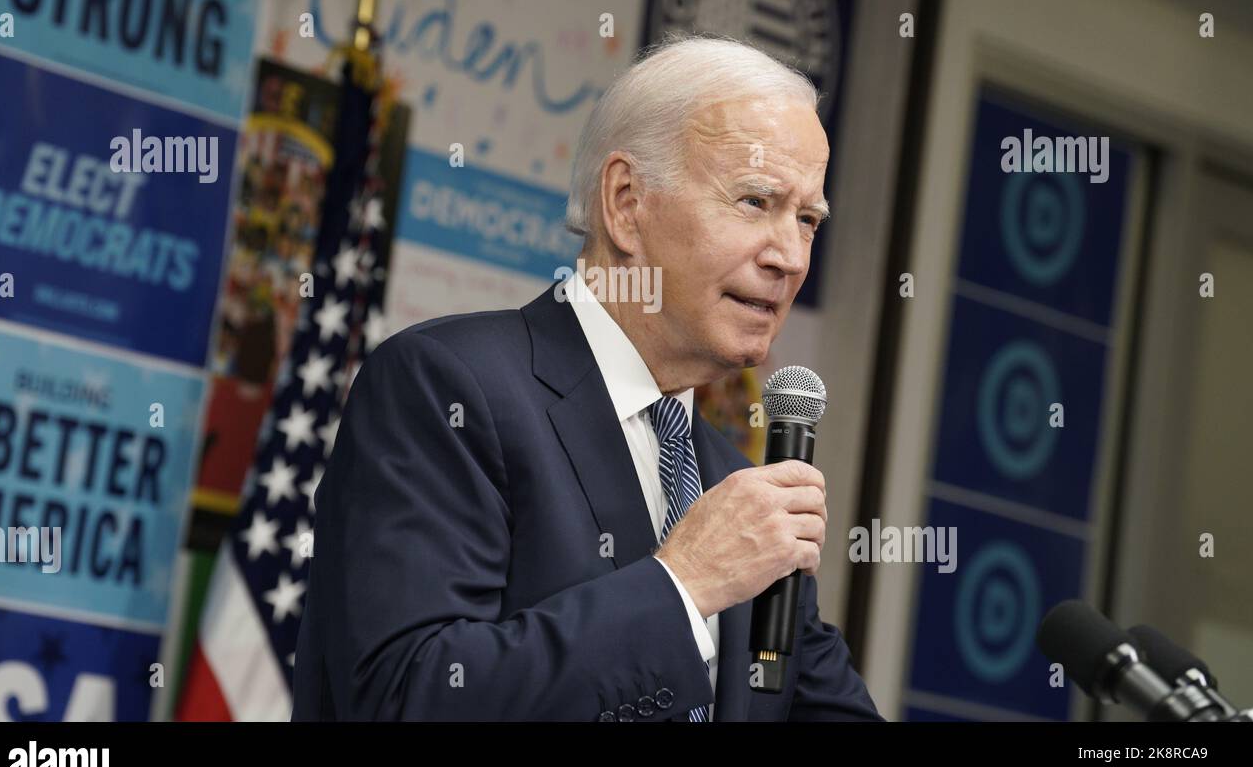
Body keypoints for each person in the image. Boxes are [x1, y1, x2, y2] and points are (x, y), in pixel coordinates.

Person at [292, 36, 882, 721]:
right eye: (755, 202)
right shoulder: (448, 389)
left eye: (808, 219)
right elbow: (407, 696)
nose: (789, 256)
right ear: (627, 202)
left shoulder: (733, 489)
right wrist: (683, 584)